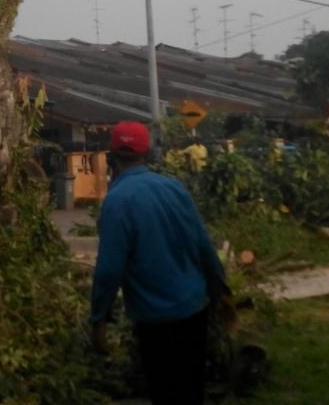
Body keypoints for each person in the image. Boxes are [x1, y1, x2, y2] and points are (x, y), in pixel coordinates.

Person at [89, 121, 232, 405]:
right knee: (192, 390)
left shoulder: (117, 201)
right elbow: (204, 245)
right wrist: (222, 293)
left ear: (111, 155)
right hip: (194, 310)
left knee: (165, 392)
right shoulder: (174, 188)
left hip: (155, 320)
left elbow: (109, 270)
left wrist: (99, 319)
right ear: (147, 153)